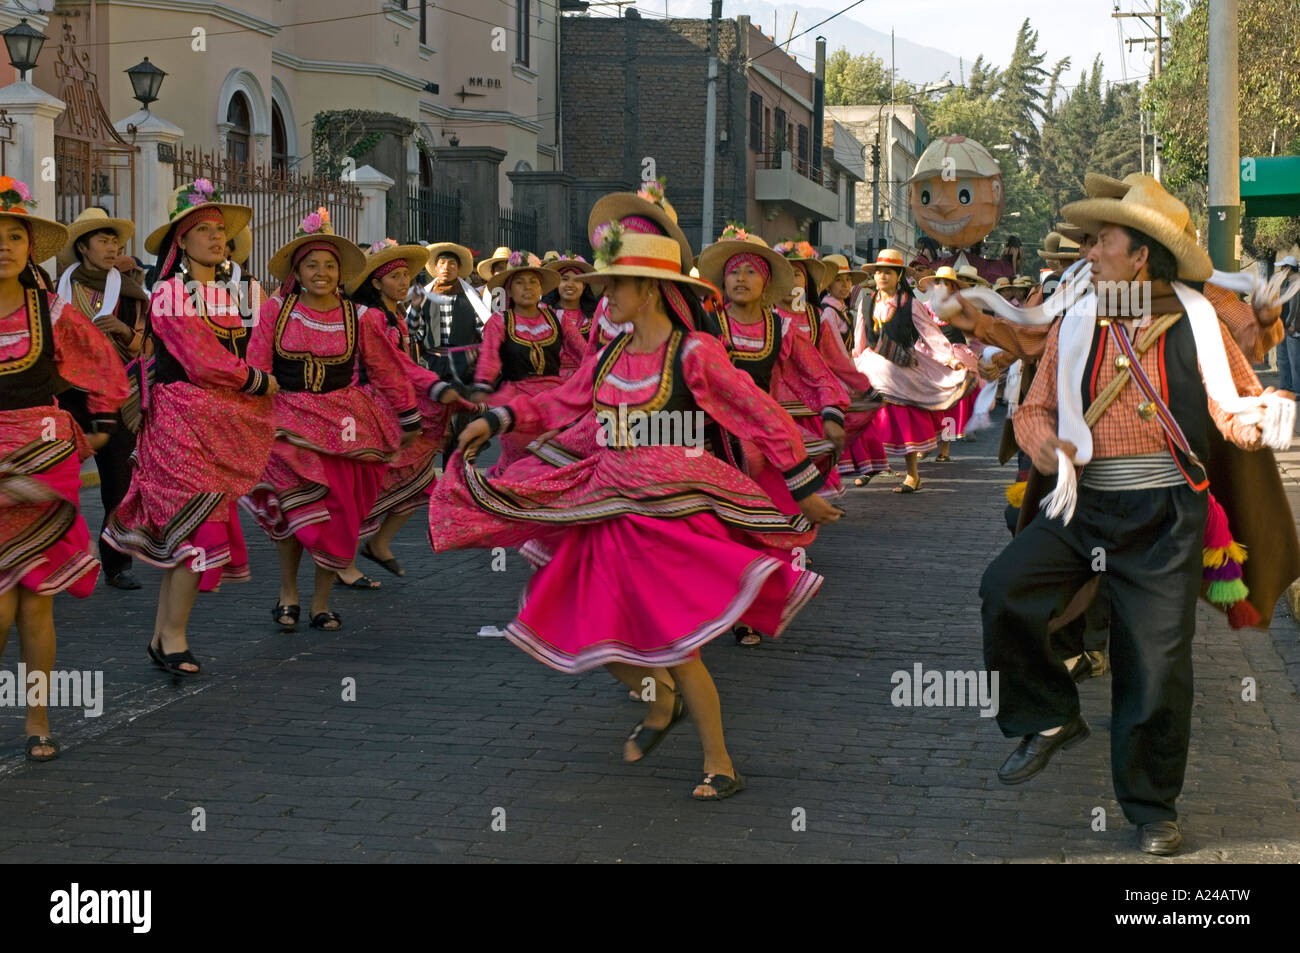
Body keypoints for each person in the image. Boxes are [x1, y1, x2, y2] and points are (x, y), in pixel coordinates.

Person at [430, 221, 841, 800]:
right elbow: (561, 402)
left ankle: (720, 763)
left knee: (678, 642)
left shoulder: (695, 351)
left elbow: (760, 414)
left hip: (669, 512)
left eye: (615, 286)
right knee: (580, 617)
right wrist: (494, 419)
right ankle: (660, 700)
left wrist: (802, 488)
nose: (606, 297)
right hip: (607, 500)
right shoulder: (611, 352)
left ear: (647, 290)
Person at [981, 174, 1298, 856]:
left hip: (1165, 518)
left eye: (1103, 241)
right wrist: (1044, 448)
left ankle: (1153, 808)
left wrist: (1267, 422)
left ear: (1142, 254)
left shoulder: (1201, 322)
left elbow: (1234, 409)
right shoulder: (1074, 321)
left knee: (1155, 667)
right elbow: (1033, 409)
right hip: (1082, 507)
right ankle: (1050, 715)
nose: (1088, 251)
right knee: (1005, 590)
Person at [103, 181, 272, 677]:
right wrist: (256, 380)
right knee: (195, 530)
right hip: (181, 420)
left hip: (229, 423)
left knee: (191, 532)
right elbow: (200, 359)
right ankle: (173, 638)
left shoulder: (241, 293)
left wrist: (262, 379)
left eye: (221, 230)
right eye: (204, 230)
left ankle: (164, 636)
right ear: (182, 240)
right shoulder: (172, 294)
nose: (216, 238)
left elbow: (260, 343)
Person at [0, 179, 128, 760]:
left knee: (36, 597)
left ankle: (38, 720)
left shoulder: (49, 309)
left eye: (14, 236)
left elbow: (101, 362)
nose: (4, 246)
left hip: (46, 453)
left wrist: (98, 421)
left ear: (30, 248)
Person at [243, 212, 419, 631]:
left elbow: (387, 371)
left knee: (336, 514)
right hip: (288, 423)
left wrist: (408, 416)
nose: (321, 273)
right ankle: (288, 593)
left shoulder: (362, 318)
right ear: (297, 272)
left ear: (340, 273)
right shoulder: (275, 311)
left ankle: (321, 602)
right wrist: (250, 416)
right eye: (312, 265)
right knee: (291, 512)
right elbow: (257, 365)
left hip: (345, 428)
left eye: (329, 265)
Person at [342, 239, 474, 581]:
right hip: (368, 403)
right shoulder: (370, 317)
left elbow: (402, 365)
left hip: (391, 399)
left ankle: (378, 543)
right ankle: (342, 561)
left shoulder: (393, 315)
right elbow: (394, 364)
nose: (404, 282)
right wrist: (434, 386)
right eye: (395, 276)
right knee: (370, 484)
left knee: (417, 480)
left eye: (406, 275)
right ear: (375, 283)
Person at [54, 207, 150, 590]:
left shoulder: (130, 293)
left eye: (115, 241)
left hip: (116, 396)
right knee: (59, 481)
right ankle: (59, 558)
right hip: (66, 397)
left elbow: (146, 348)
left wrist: (125, 332)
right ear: (82, 246)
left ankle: (116, 562)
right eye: (103, 241)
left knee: (119, 482)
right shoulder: (55, 291)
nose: (112, 248)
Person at [853, 249, 974, 493]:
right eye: (879, 272)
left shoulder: (911, 305)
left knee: (903, 421)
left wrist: (950, 359)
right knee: (865, 419)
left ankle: (912, 475)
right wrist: (853, 365)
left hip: (900, 370)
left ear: (898, 276)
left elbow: (930, 334)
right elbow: (860, 338)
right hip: (870, 368)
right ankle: (869, 467)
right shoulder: (866, 302)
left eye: (888, 272)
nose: (882, 276)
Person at [467, 252, 570, 475]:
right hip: (517, 403)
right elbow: (489, 356)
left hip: (554, 404)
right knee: (521, 466)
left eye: (533, 282)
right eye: (520, 283)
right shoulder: (500, 321)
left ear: (541, 288)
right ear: (510, 290)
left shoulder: (558, 318)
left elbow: (584, 353)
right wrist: (483, 386)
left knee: (554, 465)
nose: (528, 288)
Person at [542, 253, 600, 376]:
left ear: (584, 286)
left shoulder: (594, 317)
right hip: (550, 380)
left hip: (585, 379)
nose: (570, 284)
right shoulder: (544, 313)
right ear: (557, 283)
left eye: (577, 280)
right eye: (565, 279)